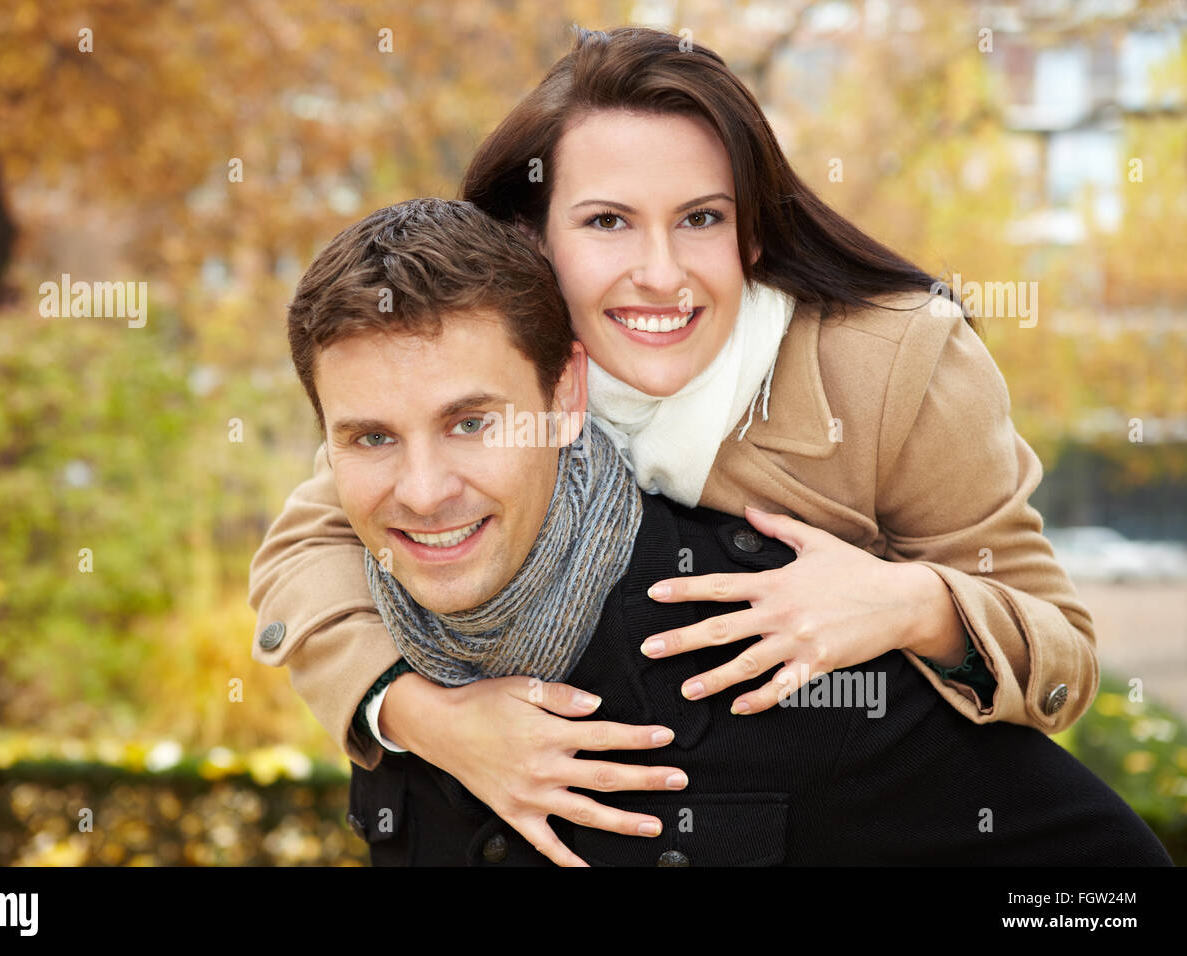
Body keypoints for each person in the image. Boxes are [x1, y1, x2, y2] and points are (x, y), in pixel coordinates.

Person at [250, 27, 1099, 866]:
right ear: (533, 236)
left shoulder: (895, 365)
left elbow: (1061, 653)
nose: (660, 273)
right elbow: (311, 545)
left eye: (700, 218)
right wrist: (427, 719)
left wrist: (913, 602)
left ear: (752, 235)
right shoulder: (496, 353)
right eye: (608, 221)